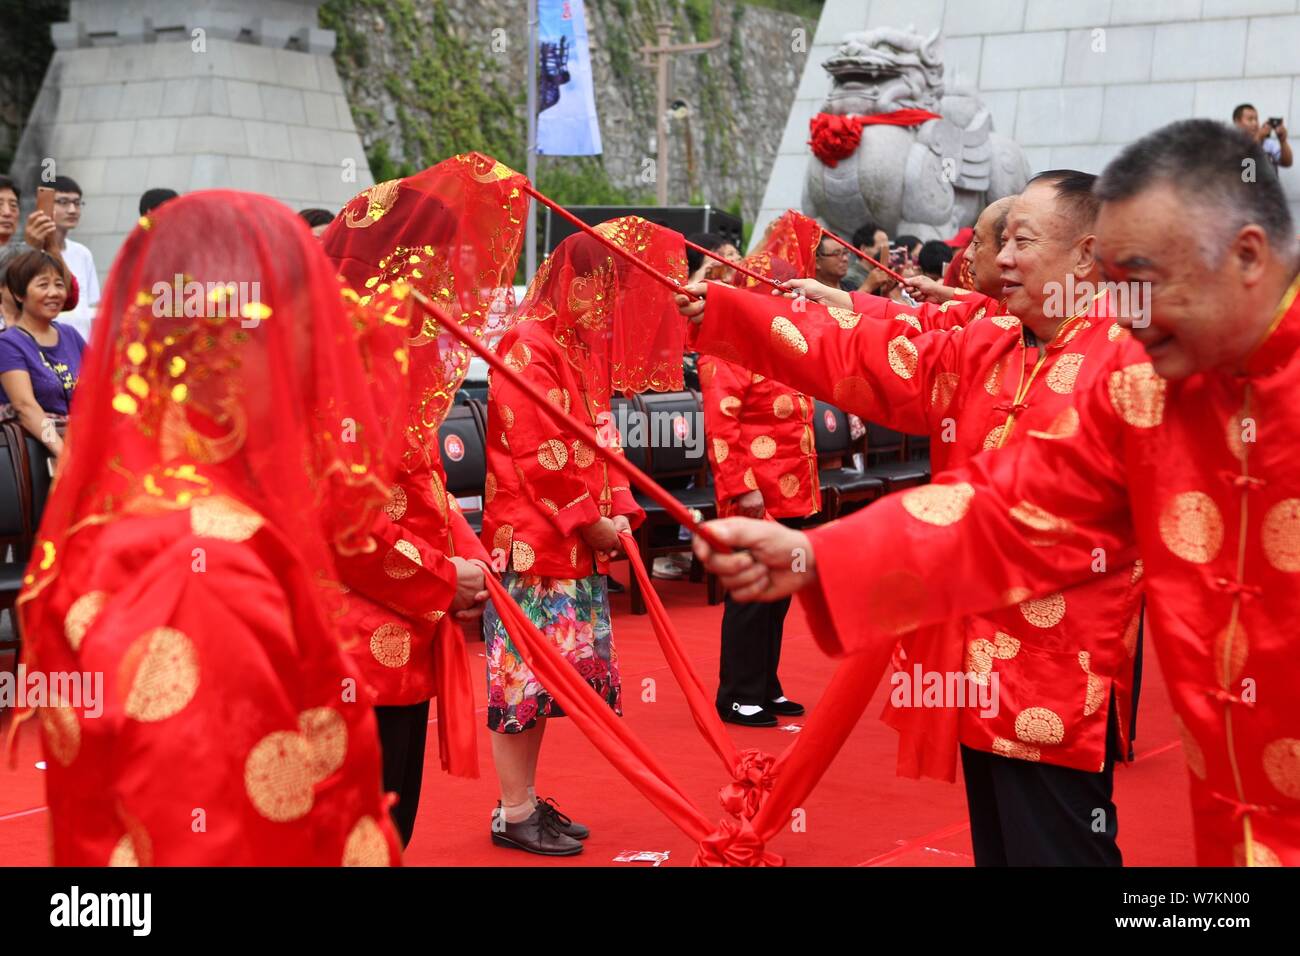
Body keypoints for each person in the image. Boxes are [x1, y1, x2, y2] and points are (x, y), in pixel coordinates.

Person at [694, 119, 1300, 868]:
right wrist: (823, 555)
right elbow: (1014, 500)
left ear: (1244, 257)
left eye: (1138, 271)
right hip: (1005, 675)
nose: (1120, 297)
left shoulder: (1142, 361)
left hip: (1069, 668)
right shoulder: (1138, 380)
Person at [677, 172, 1145, 866]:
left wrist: (827, 557)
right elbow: (869, 353)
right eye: (1003, 239)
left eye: (1023, 240)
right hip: (977, 656)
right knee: (1005, 846)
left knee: (1061, 846)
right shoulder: (994, 344)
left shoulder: (1128, 361)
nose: (1002, 257)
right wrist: (727, 310)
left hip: (1060, 668)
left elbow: (1031, 505)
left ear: (1085, 254)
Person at [16, 190, 404, 865]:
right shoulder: (202, 568)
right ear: (226, 353)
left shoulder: (150, 515)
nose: (319, 381)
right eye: (302, 344)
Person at [321, 157, 529, 846]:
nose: (451, 278)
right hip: (343, 636)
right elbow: (342, 521)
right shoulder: (335, 359)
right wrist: (446, 577)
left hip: (400, 623)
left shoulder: (392, 353)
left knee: (390, 816)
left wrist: (471, 559)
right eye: (437, 260)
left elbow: (418, 478)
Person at [480, 216, 685, 856]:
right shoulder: (527, 343)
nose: (609, 304)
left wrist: (620, 508)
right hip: (534, 547)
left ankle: (522, 801)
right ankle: (514, 811)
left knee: (546, 686)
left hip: (574, 543)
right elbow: (535, 449)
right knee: (520, 683)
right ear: (573, 281)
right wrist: (594, 521)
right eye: (602, 287)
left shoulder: (574, 347)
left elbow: (603, 439)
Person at [701, 214, 820, 727]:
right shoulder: (728, 344)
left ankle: (765, 685)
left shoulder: (781, 342)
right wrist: (742, 490)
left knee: (778, 593)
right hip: (757, 493)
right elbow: (721, 427)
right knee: (751, 594)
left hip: (793, 489)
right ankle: (738, 693)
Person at [787, 196, 1014, 333]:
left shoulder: (1003, 321)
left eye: (976, 243)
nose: (966, 256)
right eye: (837, 254)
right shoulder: (993, 311)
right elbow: (911, 316)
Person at [0, 250, 84, 455]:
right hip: (36, 452)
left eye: (59, 284)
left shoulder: (70, 335)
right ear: (19, 294)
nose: (54, 293)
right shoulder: (7, 343)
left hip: (78, 446)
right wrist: (61, 451)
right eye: (43, 285)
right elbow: (26, 407)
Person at [46, 175, 99, 341]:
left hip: (82, 349)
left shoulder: (82, 253)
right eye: (63, 202)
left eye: (77, 203)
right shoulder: (31, 254)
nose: (72, 210)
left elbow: (89, 306)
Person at [1233, 103, 1292, 170]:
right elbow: (1245, 163)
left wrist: (1283, 141)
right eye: (1250, 119)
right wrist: (1259, 138)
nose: (1255, 123)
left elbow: (1287, 163)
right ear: (1237, 122)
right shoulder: (1230, 143)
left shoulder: (1268, 143)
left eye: (1256, 119)